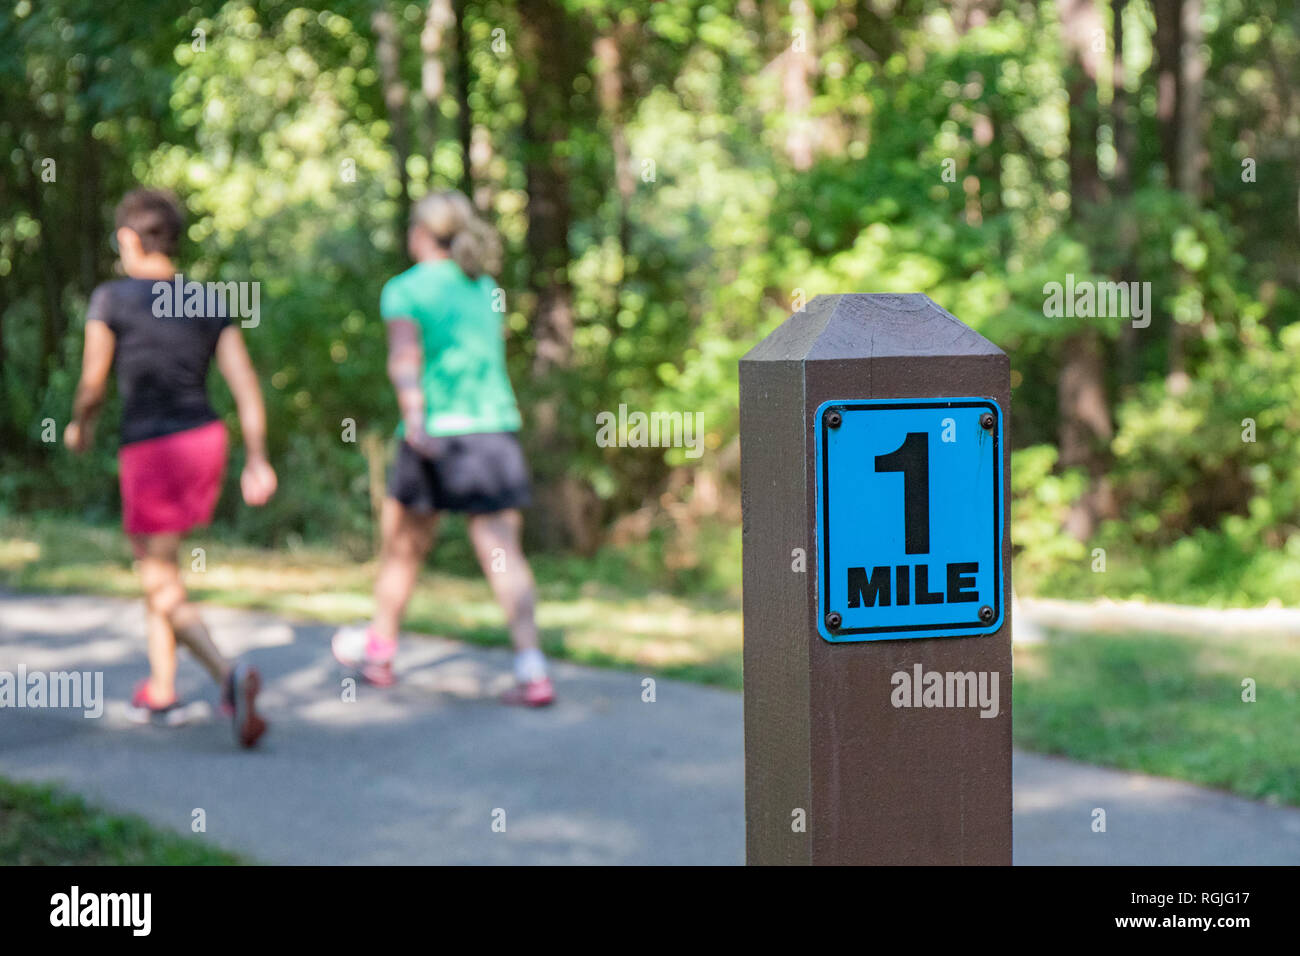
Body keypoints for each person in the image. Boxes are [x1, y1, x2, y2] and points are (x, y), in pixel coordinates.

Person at [65, 188, 277, 747]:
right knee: (165, 569)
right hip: (205, 441)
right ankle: (161, 689)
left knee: (157, 580)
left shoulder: (111, 299)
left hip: (152, 449)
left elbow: (92, 384)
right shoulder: (208, 300)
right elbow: (245, 385)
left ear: (130, 238)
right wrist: (257, 457)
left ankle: (227, 678)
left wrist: (79, 425)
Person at [331, 191, 553, 706]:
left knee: (403, 550)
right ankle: (532, 669)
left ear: (421, 234)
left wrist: (414, 421)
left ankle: (380, 652)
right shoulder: (485, 287)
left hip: (436, 430)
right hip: (493, 430)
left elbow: (404, 359)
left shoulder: (404, 290)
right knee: (503, 554)